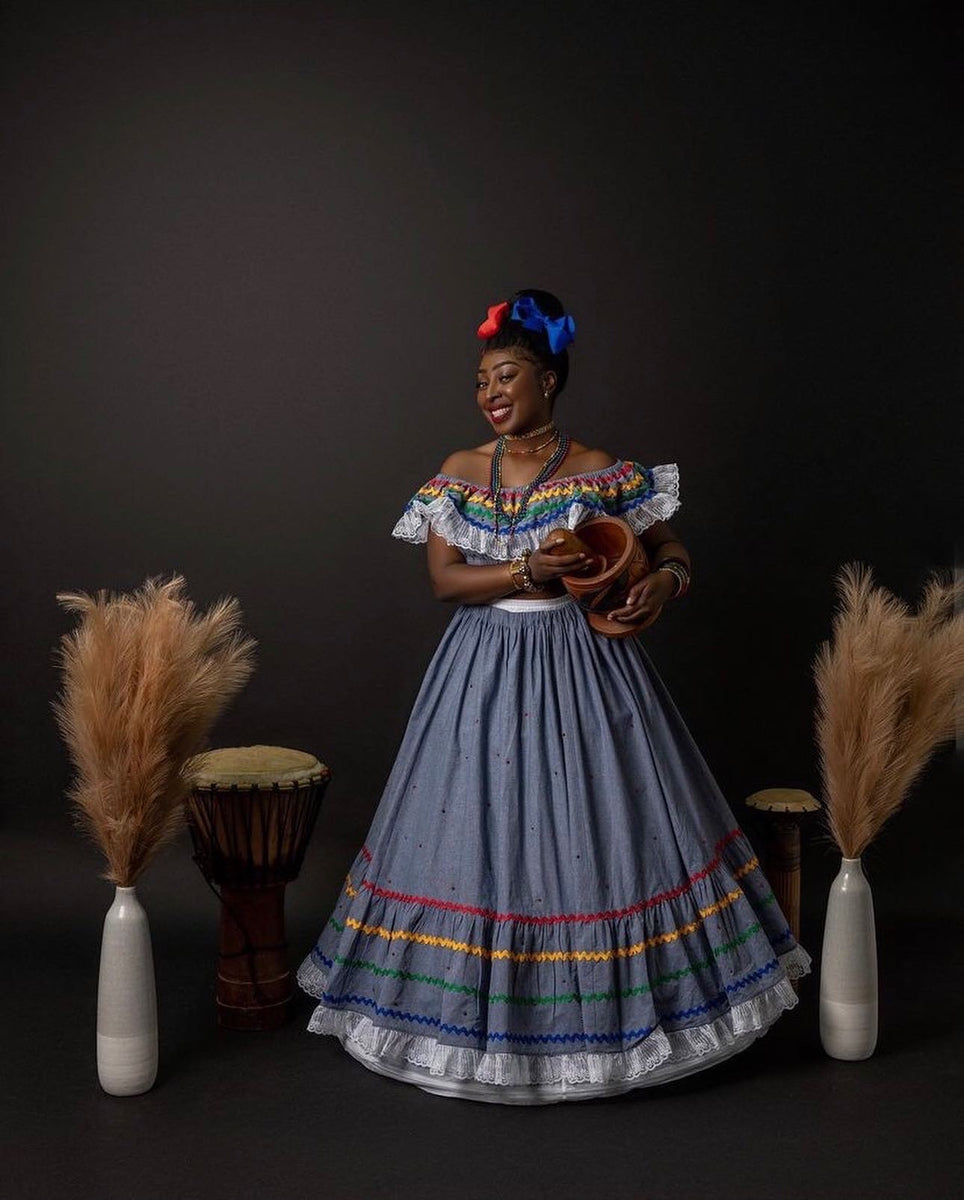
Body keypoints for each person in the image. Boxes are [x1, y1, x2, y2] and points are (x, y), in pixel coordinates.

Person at [298, 289, 810, 1104]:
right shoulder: (459, 472)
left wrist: (662, 586)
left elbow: (671, 550)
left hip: (585, 666)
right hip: (482, 666)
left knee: (601, 832)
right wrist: (528, 569)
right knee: (477, 835)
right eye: (480, 381)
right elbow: (445, 582)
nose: (490, 392)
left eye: (505, 375)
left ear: (548, 379)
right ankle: (477, 1032)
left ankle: (614, 1028)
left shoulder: (600, 470)